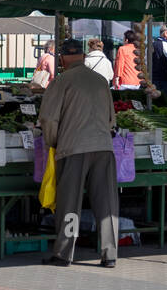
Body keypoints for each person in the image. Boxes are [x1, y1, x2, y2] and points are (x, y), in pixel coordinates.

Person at [39, 39, 119, 267]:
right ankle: (109, 254)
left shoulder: (61, 81)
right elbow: (112, 119)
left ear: (62, 59)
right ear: (83, 56)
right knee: (107, 204)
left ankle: (65, 253)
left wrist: (53, 143)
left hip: (73, 148)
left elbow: (49, 119)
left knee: (70, 203)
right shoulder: (100, 81)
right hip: (104, 147)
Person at [152, 23, 167, 97]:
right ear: (166, 34)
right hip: (165, 82)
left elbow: (145, 63)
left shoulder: (150, 46)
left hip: (152, 82)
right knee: (165, 106)